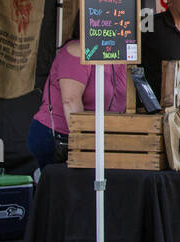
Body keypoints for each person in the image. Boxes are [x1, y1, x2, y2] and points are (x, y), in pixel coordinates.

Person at [27, 18, 127, 173]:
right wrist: (83, 146)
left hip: (97, 139)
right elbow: (70, 101)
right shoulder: (78, 50)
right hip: (60, 137)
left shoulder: (118, 55)